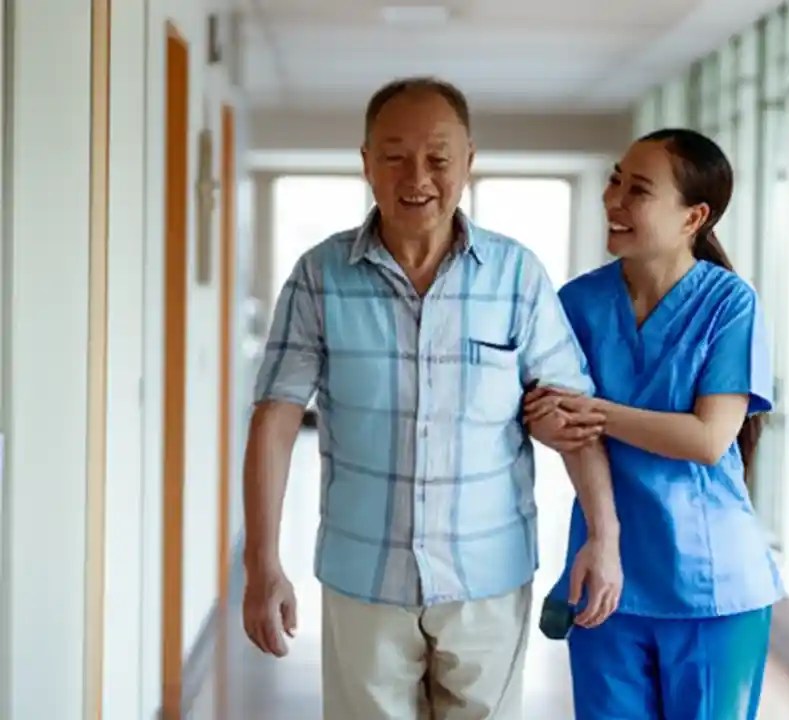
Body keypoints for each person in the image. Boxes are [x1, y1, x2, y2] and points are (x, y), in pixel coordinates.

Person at [240, 76, 623, 720]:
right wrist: (261, 565)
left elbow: (575, 416)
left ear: (469, 162)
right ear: (366, 163)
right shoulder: (319, 276)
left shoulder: (517, 275)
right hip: (364, 575)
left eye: (439, 158)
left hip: (488, 577)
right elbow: (275, 420)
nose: (417, 176)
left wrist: (603, 537)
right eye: (394, 155)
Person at [524, 128, 781, 719]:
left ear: (694, 217)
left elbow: (708, 437)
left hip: (711, 582)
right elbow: (546, 415)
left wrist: (597, 413)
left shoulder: (728, 304)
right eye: (616, 179)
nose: (613, 199)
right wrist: (546, 421)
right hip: (606, 573)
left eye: (637, 189)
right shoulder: (578, 304)